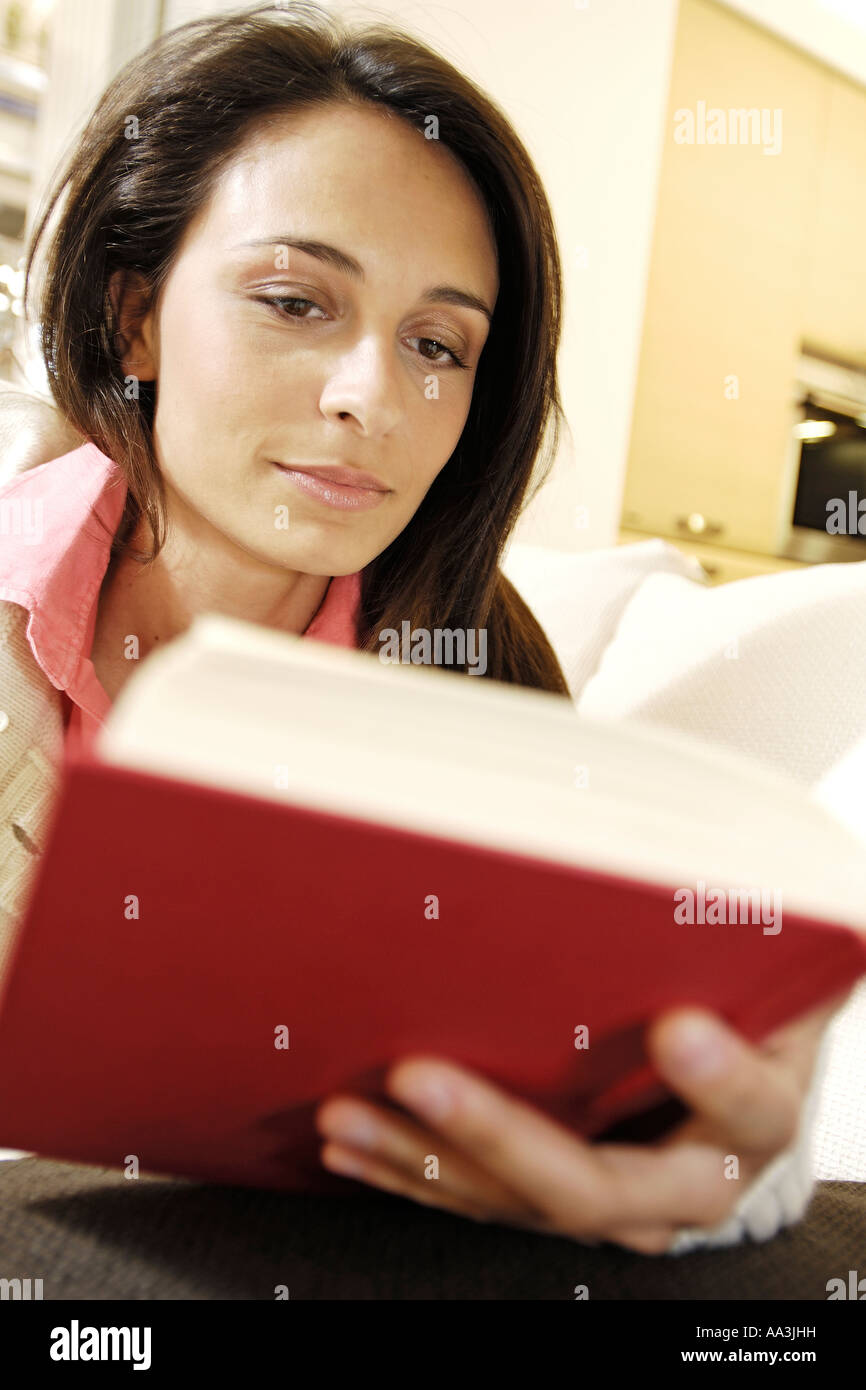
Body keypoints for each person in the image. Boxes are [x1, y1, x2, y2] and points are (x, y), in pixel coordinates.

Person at [0, 0, 843, 1257]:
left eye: (437, 343)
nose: (370, 399)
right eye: (294, 300)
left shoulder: (483, 677)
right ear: (135, 318)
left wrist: (725, 1159)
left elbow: (687, 1132)